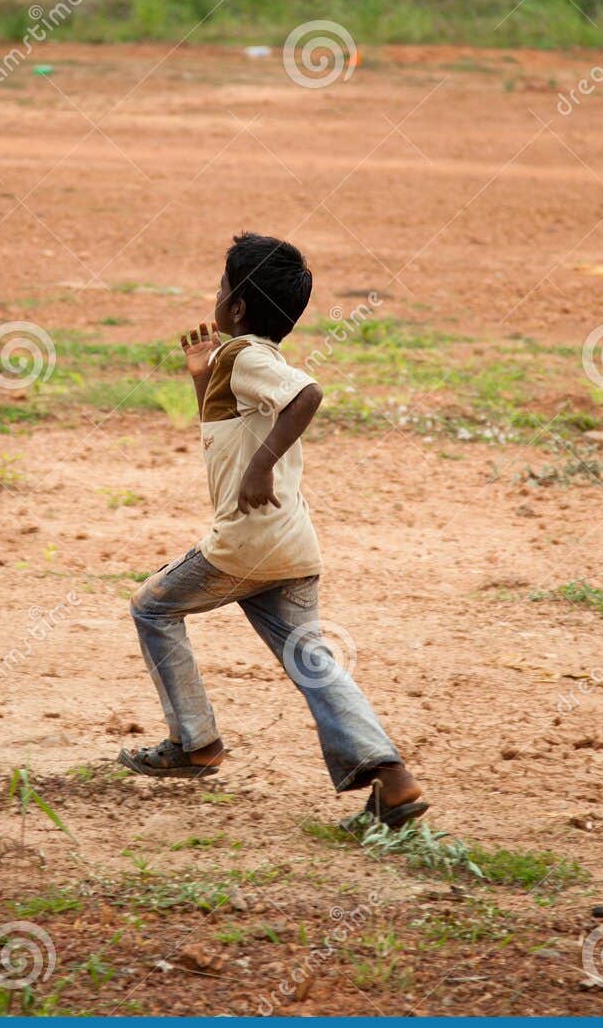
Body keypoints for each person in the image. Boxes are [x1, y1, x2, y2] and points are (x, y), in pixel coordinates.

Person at [118, 233, 427, 829]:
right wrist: (199, 377)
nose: (215, 294)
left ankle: (195, 742)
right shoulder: (242, 364)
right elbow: (229, 430)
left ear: (235, 308)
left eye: (221, 286)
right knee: (312, 661)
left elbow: (308, 395)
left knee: (152, 608)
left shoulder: (248, 358)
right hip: (292, 545)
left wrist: (261, 465)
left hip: (246, 545)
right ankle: (392, 778)